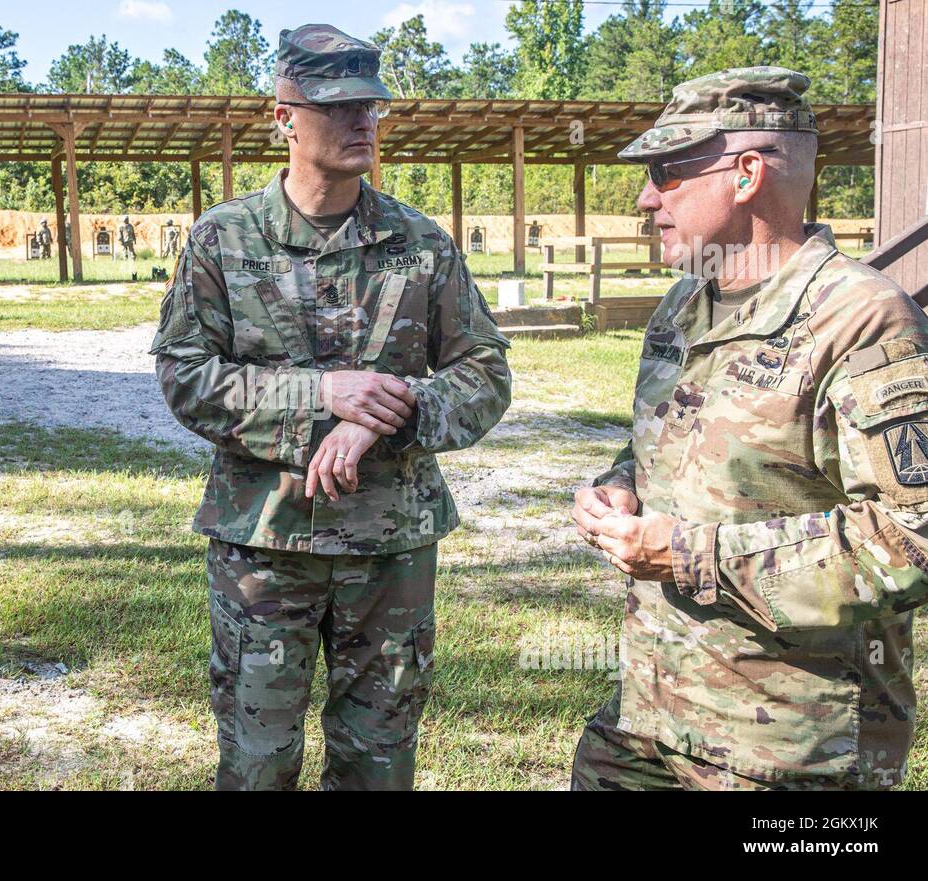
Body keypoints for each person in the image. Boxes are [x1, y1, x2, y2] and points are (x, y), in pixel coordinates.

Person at [151, 23, 511, 791]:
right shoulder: (224, 239)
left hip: (390, 549)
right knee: (257, 763)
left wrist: (397, 405)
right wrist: (320, 393)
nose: (361, 122)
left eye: (370, 106)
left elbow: (485, 371)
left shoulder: (419, 242)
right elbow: (185, 378)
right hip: (265, 546)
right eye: (337, 105)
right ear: (283, 116)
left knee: (378, 763)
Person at [570, 67, 928, 791]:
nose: (647, 198)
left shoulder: (860, 320)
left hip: (792, 746)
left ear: (746, 174)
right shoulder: (684, 304)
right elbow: (675, 442)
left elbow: (910, 538)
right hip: (652, 715)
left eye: (666, 172)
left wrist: (687, 554)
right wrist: (618, 486)